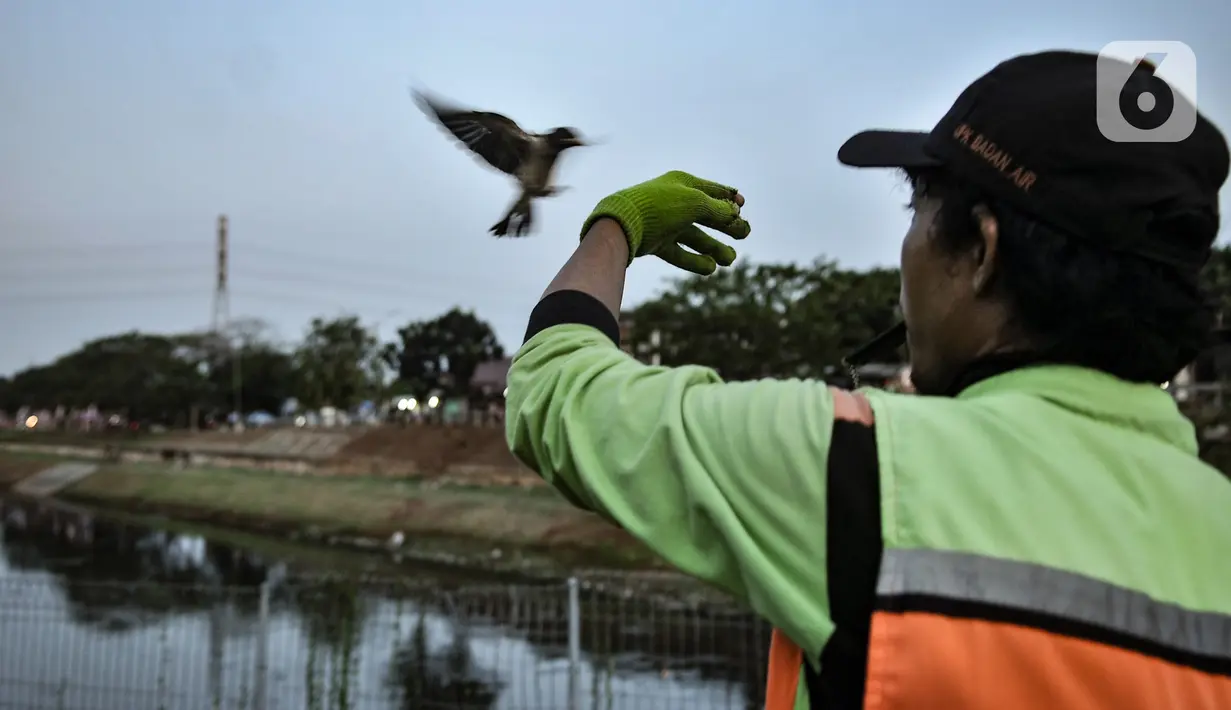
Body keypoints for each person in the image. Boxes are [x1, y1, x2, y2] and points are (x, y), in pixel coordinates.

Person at [504, 49, 1231, 709]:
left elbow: (554, 387)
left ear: (980, 250)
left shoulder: (855, 468)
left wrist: (616, 226)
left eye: (917, 209)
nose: (906, 249)